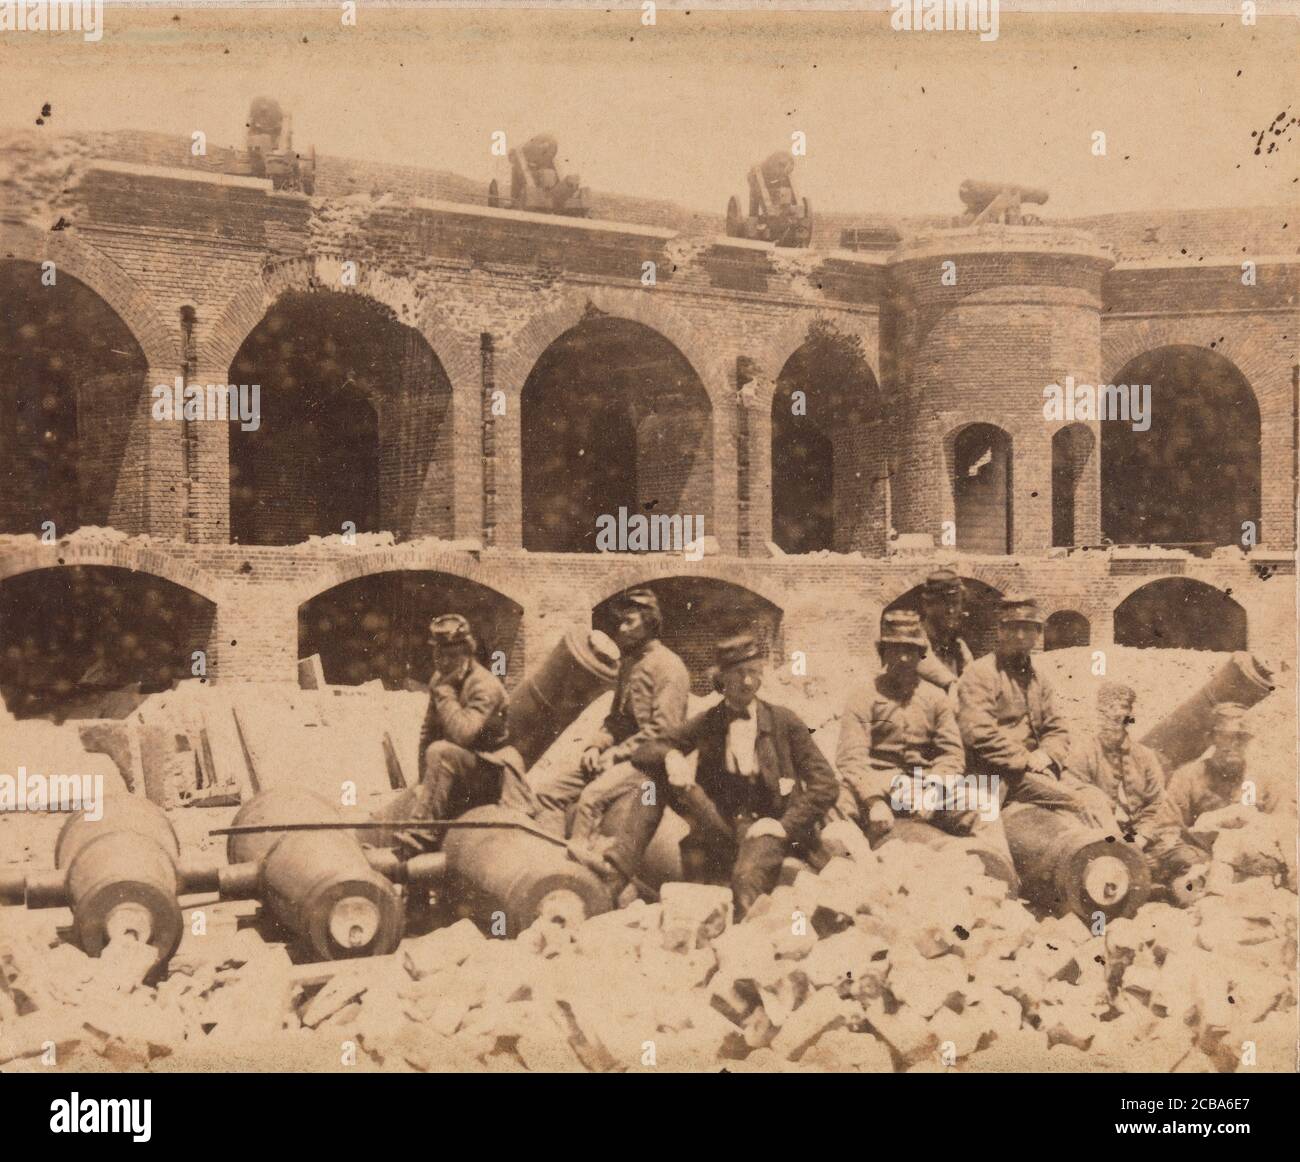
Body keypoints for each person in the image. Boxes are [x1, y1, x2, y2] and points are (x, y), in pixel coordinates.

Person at [639, 632, 838, 917]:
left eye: (754, 672)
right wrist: (671, 756)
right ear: (722, 679)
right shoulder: (710, 721)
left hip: (771, 824)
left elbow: (826, 784)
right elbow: (647, 749)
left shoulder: (784, 721)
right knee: (653, 783)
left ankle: (747, 950)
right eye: (739, 673)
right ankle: (615, 868)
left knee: (745, 879)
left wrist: (784, 825)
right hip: (723, 822)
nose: (748, 682)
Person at [837, 608, 1016, 887]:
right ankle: (854, 885)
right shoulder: (863, 696)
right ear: (883, 653)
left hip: (924, 786)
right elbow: (851, 758)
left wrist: (935, 788)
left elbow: (952, 754)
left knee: (985, 806)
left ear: (922, 655)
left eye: (911, 650)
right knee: (837, 809)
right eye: (896, 650)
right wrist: (874, 801)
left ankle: (1002, 881)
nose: (904, 658)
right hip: (876, 786)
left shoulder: (935, 698)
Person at [526, 588, 689, 839]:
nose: (622, 629)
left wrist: (616, 755)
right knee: (548, 795)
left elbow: (663, 732)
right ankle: (554, 860)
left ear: (649, 622)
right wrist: (596, 746)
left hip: (650, 762)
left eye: (629, 621)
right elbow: (617, 720)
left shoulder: (670, 666)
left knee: (590, 800)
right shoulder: (629, 665)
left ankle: (578, 863)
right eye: (620, 622)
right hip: (616, 758)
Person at [370, 613, 511, 847]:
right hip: (455, 768)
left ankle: (421, 834)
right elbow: (428, 733)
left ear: (467, 654)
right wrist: (423, 781)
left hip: (491, 773)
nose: (443, 662)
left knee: (441, 751)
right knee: (419, 782)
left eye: (451, 655)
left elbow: (463, 734)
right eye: (439, 654)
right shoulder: (441, 678)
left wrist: (445, 692)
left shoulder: (484, 685)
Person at [955, 594, 1075, 809]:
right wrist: (1026, 759)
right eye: (1012, 628)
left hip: (1035, 771)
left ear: (1038, 634)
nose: (1020, 636)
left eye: (1028, 628)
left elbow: (1057, 728)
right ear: (1000, 631)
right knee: (1074, 802)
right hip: (992, 775)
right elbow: (977, 733)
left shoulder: (1039, 679)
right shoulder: (980, 673)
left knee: (1096, 798)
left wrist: (1046, 755)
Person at [1147, 703, 1278, 887]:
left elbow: (1282, 824)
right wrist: (1197, 860)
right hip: (1199, 864)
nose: (1232, 745)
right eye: (1225, 737)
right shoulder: (1187, 777)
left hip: (1251, 866)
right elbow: (1166, 830)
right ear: (1212, 738)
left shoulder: (1261, 780)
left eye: (1240, 738)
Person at [1061, 681, 1167, 845]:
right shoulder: (1083, 752)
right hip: (1099, 837)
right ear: (1099, 713)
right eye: (1109, 707)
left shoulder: (1145, 756)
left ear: (1130, 715)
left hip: (1143, 839)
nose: (1116, 713)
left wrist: (1142, 837)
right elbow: (1073, 795)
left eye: (1123, 707)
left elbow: (1158, 805)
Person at [916, 568, 974, 693]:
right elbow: (924, 662)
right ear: (927, 606)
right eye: (945, 604)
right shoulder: (914, 640)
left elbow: (971, 677)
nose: (951, 610)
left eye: (955, 603)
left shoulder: (959, 647)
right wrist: (953, 684)